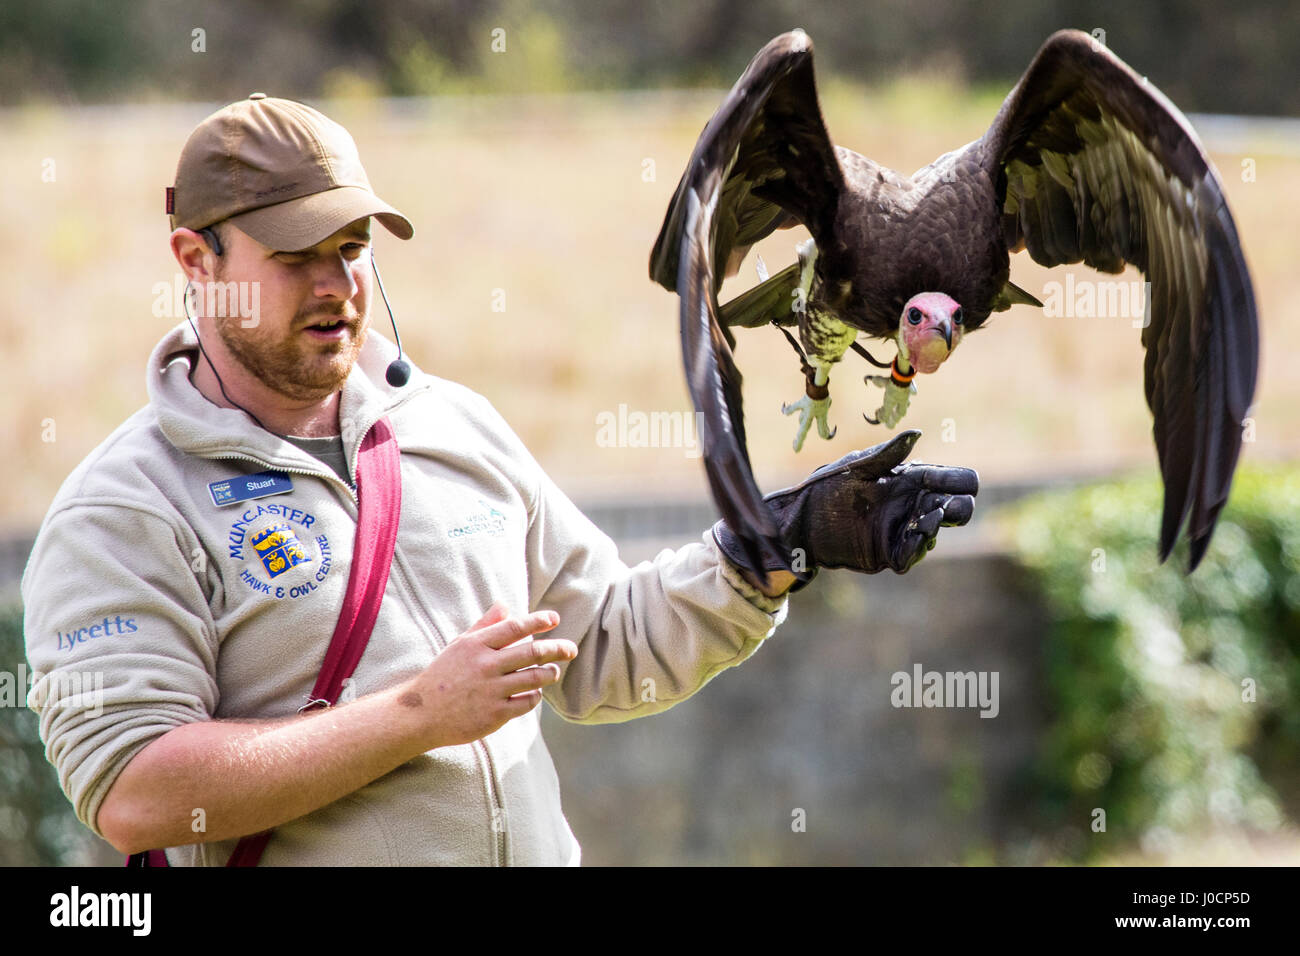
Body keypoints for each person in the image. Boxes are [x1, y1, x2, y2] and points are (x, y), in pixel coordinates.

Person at [21, 94, 978, 865]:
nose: (338, 285)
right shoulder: (126, 509)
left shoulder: (451, 426)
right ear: (197, 260)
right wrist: (418, 715)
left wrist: (778, 546)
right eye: (297, 256)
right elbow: (136, 792)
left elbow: (602, 643)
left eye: (353, 249)